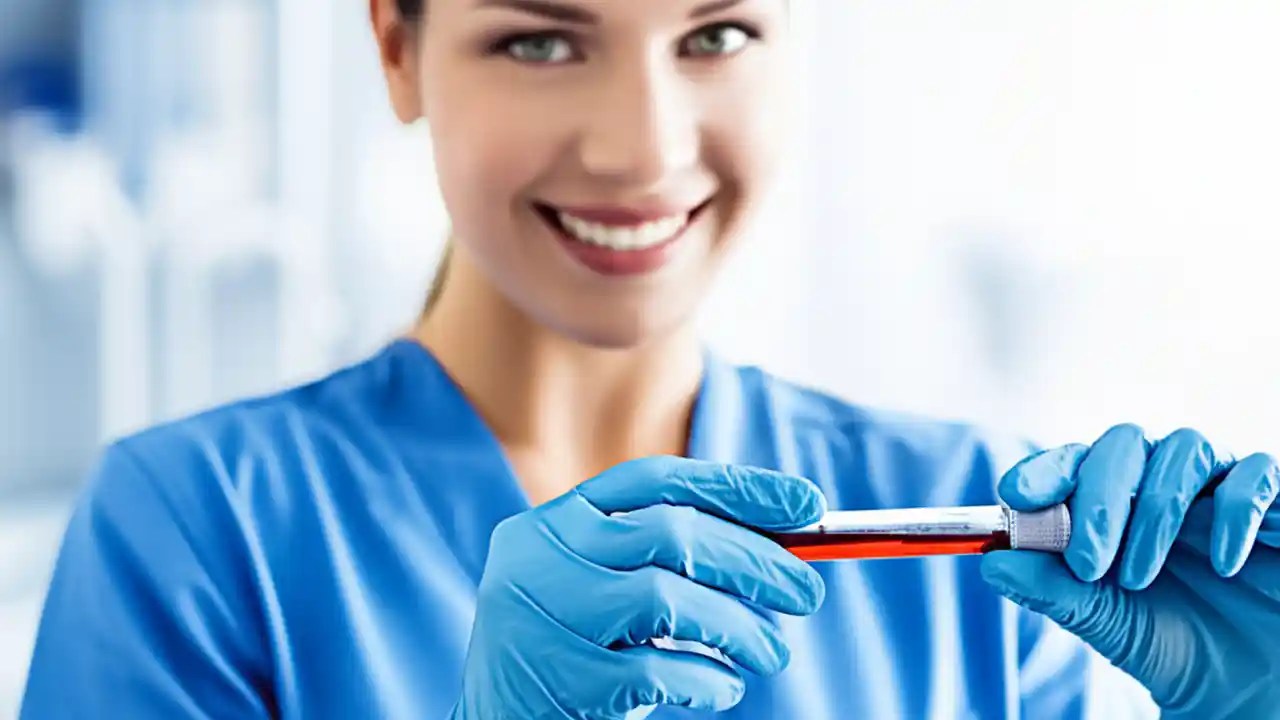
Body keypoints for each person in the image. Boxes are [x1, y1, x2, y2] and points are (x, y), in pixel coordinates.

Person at [20, 0, 1280, 718]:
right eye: (539, 39)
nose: (640, 148)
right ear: (396, 51)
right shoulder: (194, 531)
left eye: (717, 34)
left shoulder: (979, 536)